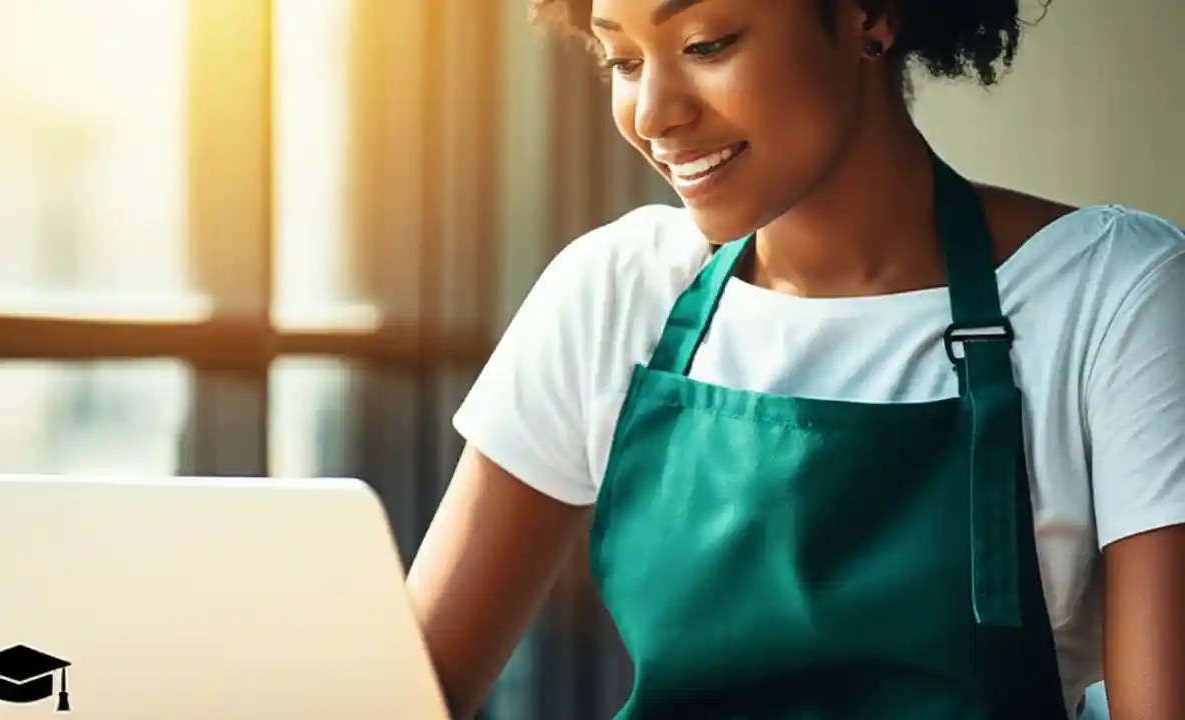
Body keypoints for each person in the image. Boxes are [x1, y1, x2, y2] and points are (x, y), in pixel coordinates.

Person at [405, 0, 1185, 717]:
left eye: (707, 44)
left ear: (867, 15)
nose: (654, 115)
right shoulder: (616, 288)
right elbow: (401, 693)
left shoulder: (1111, 292)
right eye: (625, 62)